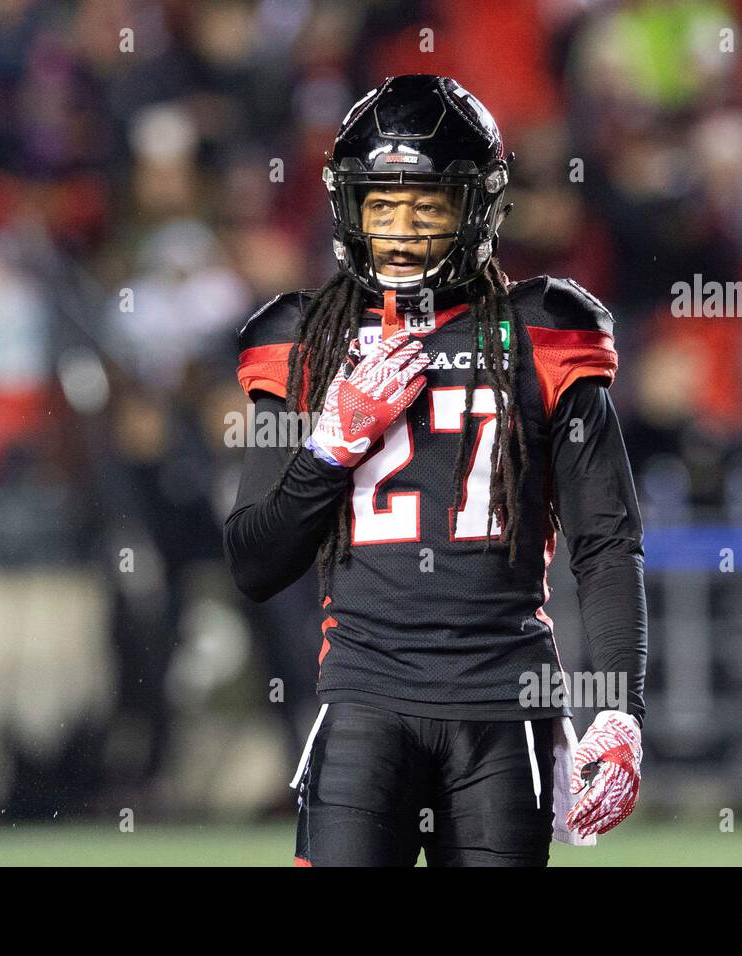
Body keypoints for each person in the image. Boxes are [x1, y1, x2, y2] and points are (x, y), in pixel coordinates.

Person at [223, 75, 648, 866]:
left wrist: (618, 710)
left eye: (428, 205)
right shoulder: (305, 341)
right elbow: (254, 559)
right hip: (364, 699)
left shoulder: (544, 334)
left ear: (476, 210)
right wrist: (328, 450)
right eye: (381, 205)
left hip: (504, 707)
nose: (401, 230)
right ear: (349, 209)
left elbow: (607, 545)